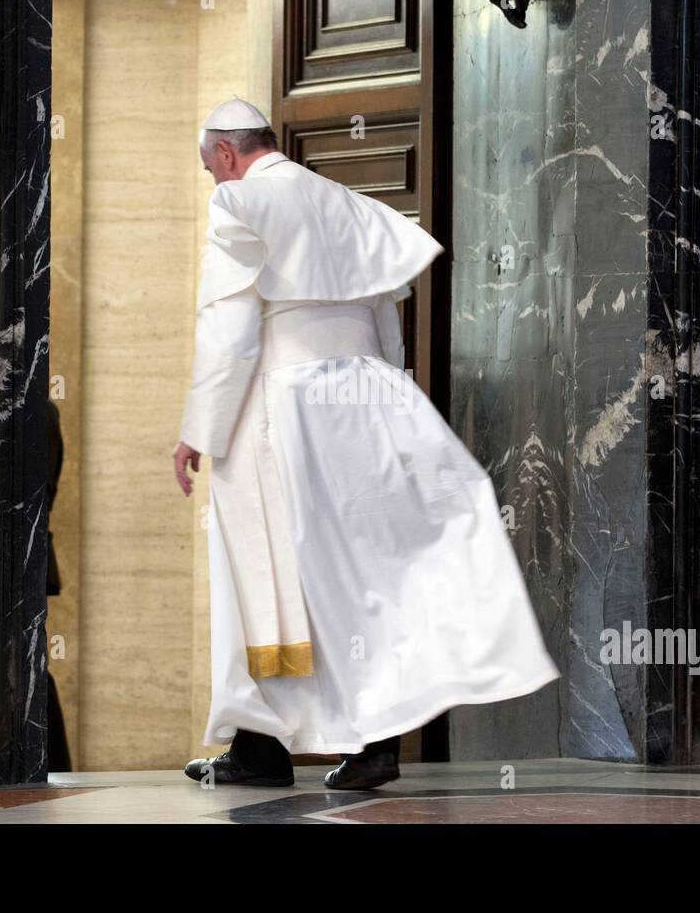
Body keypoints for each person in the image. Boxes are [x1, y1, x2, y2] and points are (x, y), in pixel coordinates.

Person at [173, 99, 560, 790]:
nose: (213, 181)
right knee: (368, 576)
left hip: (281, 402)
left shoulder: (238, 202)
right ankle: (376, 743)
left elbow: (230, 331)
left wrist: (199, 430)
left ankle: (261, 750)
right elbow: (384, 317)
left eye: (210, 168)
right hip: (370, 399)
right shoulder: (346, 201)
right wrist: (393, 400)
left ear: (227, 156)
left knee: (268, 575)